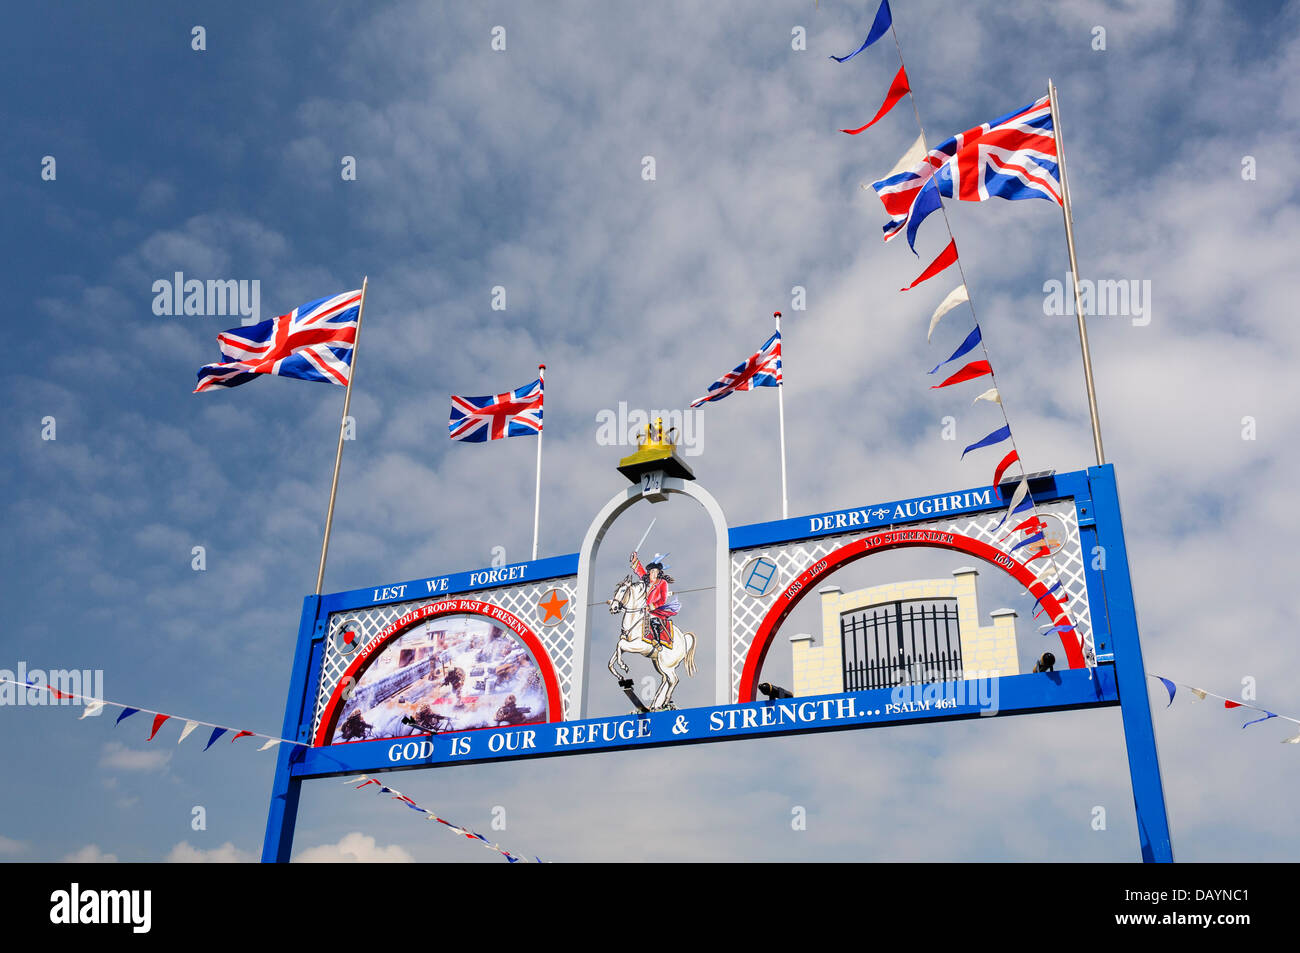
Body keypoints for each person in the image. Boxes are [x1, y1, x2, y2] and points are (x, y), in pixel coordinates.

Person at [629, 551, 681, 648]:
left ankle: (657, 641)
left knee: (653, 620)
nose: (654, 574)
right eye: (652, 571)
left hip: (655, 609)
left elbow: (662, 600)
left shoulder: (662, 583)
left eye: (656, 572)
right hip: (642, 608)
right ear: (649, 572)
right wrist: (635, 560)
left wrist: (651, 607)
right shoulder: (646, 580)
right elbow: (639, 570)